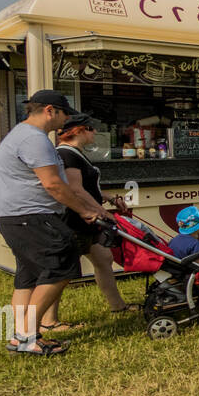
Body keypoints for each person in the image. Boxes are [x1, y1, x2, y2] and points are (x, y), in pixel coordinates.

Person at [0, 91, 113, 356]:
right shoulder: (33, 139)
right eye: (64, 113)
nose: (67, 118)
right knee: (61, 266)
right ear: (50, 110)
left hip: (15, 216)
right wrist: (84, 210)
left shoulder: (21, 134)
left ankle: (21, 336)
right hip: (31, 216)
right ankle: (27, 336)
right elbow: (52, 184)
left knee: (28, 276)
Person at [42, 114, 134, 328]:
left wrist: (109, 197)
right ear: (80, 131)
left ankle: (117, 305)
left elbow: (87, 187)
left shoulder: (75, 154)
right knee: (62, 271)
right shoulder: (66, 154)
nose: (95, 133)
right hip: (73, 219)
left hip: (84, 219)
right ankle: (48, 320)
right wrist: (102, 211)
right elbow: (75, 189)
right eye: (92, 129)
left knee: (103, 259)